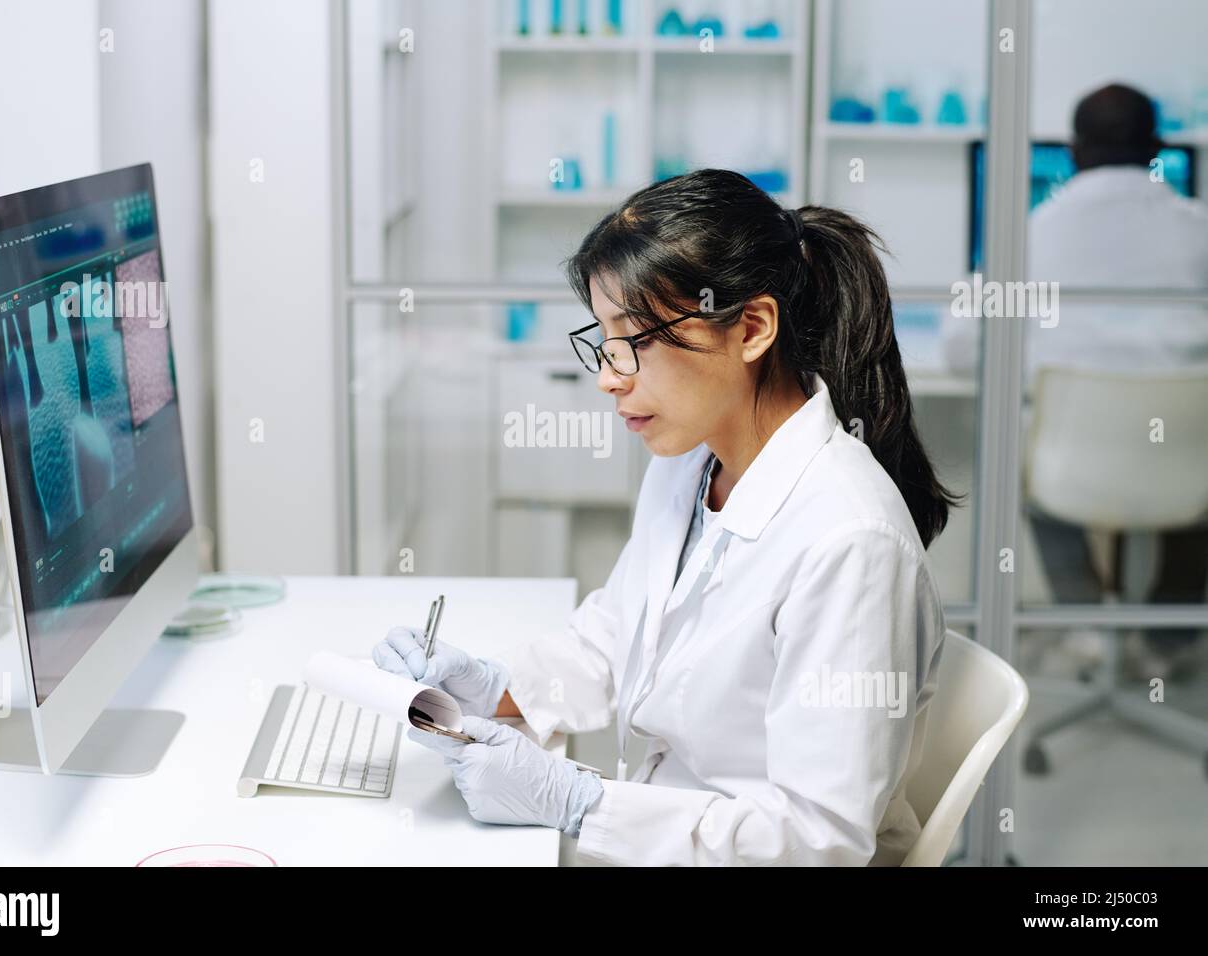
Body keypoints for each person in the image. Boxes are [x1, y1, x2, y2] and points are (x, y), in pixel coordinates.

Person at [375, 169, 957, 866]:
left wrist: (578, 802)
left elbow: (817, 841)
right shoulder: (690, 466)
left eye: (637, 341)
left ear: (752, 328)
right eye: (605, 340)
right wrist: (492, 688)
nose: (608, 376)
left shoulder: (851, 543)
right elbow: (618, 639)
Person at [1027, 84, 1208, 675]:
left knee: (1025, 465)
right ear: (1157, 147)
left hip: (1069, 473)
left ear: (1074, 150)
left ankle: (1084, 624)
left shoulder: (1032, 231)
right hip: (1186, 471)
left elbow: (960, 347)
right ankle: (1168, 640)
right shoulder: (1197, 227)